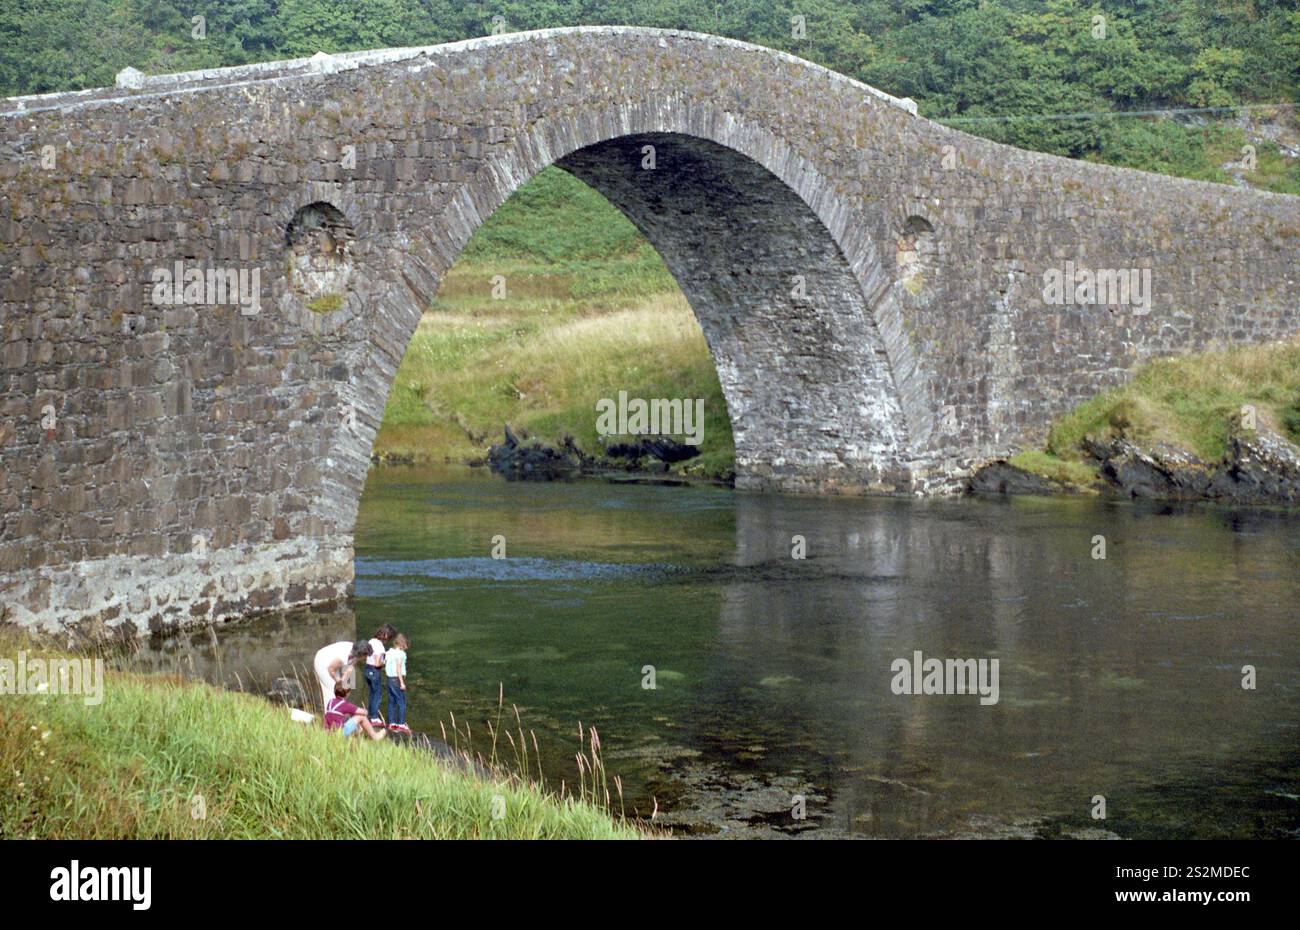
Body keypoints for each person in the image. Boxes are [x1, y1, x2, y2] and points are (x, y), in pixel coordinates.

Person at [312, 640, 371, 711]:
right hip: (323, 662)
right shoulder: (343, 655)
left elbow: (349, 670)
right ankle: (330, 716)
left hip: (334, 665)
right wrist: (339, 683)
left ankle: (343, 713)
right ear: (361, 654)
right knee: (332, 690)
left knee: (346, 688)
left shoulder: (356, 653)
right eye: (366, 655)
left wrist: (346, 687)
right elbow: (331, 669)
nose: (367, 658)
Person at [364, 624, 397, 727]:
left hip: (367, 669)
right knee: (377, 695)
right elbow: (378, 663)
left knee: (372, 693)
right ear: (386, 635)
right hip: (374, 671)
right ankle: (374, 718)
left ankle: (370, 715)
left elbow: (368, 656)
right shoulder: (380, 646)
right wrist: (385, 662)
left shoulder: (371, 641)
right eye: (390, 637)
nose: (389, 639)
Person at [385, 633, 410, 734]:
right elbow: (398, 668)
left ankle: (392, 724)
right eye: (406, 645)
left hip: (390, 679)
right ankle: (401, 724)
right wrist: (402, 683)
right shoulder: (401, 654)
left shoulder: (389, 652)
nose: (407, 647)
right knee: (401, 702)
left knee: (392, 701)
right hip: (397, 679)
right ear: (402, 644)